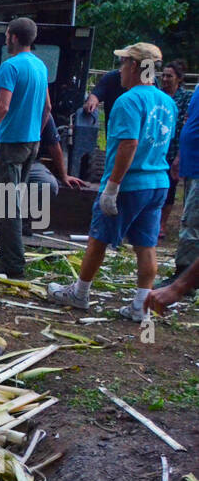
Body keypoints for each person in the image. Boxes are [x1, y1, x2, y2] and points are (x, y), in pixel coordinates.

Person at [46, 43, 176, 321]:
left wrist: (112, 186)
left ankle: (80, 293)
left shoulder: (128, 101)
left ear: (135, 66)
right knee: (146, 245)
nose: (119, 70)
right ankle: (141, 306)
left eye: (123, 63)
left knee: (98, 239)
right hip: (157, 182)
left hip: (129, 184)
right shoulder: (168, 102)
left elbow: (129, 144)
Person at [0, 18, 51, 278]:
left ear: (14, 37)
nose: (5, 39)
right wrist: (35, 133)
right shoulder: (40, 66)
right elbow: (47, 108)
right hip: (31, 143)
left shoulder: (10, 66)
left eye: (7, 35)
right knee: (12, 201)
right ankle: (9, 257)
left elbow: (2, 107)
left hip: (12, 143)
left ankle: (13, 264)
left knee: (6, 204)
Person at [165, 68, 199, 286]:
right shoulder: (197, 89)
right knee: (190, 217)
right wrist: (180, 157)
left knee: (192, 222)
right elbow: (189, 120)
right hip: (191, 162)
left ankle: (184, 279)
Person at [159, 60, 190, 235]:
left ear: (179, 78)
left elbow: (184, 126)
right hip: (156, 147)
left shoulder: (185, 98)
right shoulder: (158, 95)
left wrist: (179, 155)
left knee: (170, 186)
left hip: (174, 148)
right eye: (163, 75)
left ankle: (162, 223)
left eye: (169, 76)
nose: (165, 79)